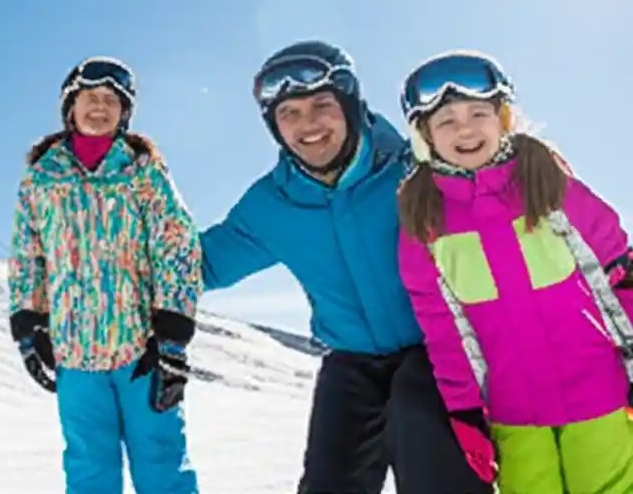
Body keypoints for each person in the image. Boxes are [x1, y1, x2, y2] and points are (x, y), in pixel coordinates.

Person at [198, 40, 491, 493]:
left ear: (351, 106)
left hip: (437, 352)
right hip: (351, 362)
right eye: (288, 114)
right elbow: (200, 266)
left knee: (436, 465)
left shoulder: (416, 166)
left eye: (321, 105)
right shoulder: (271, 204)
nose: (308, 124)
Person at [395, 50, 633, 493]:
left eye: (478, 113)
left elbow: (621, 273)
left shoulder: (548, 184)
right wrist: (465, 412)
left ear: (503, 118)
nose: (464, 128)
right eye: (446, 121)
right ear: (425, 135)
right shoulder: (423, 224)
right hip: (514, 416)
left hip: (599, 394)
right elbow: (444, 333)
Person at [7, 55, 203, 494]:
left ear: (125, 114)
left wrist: (172, 330)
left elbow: (177, 242)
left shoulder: (142, 171)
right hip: (74, 354)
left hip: (141, 350)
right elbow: (27, 254)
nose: (100, 106)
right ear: (69, 108)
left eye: (111, 100)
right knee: (88, 468)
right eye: (90, 97)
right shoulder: (40, 179)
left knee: (161, 460)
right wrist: (27, 322)